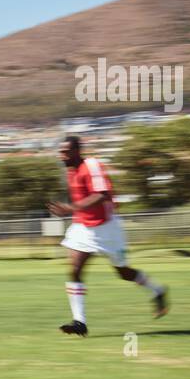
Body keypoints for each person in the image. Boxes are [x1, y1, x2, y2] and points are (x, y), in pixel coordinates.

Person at [47, 136, 169, 337]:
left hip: (107, 228)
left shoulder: (91, 165)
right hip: (83, 227)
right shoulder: (70, 171)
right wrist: (74, 211)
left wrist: (71, 208)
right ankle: (80, 322)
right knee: (74, 270)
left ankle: (158, 291)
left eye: (66, 151)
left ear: (78, 150)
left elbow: (102, 195)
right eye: (60, 151)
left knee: (123, 272)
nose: (62, 155)